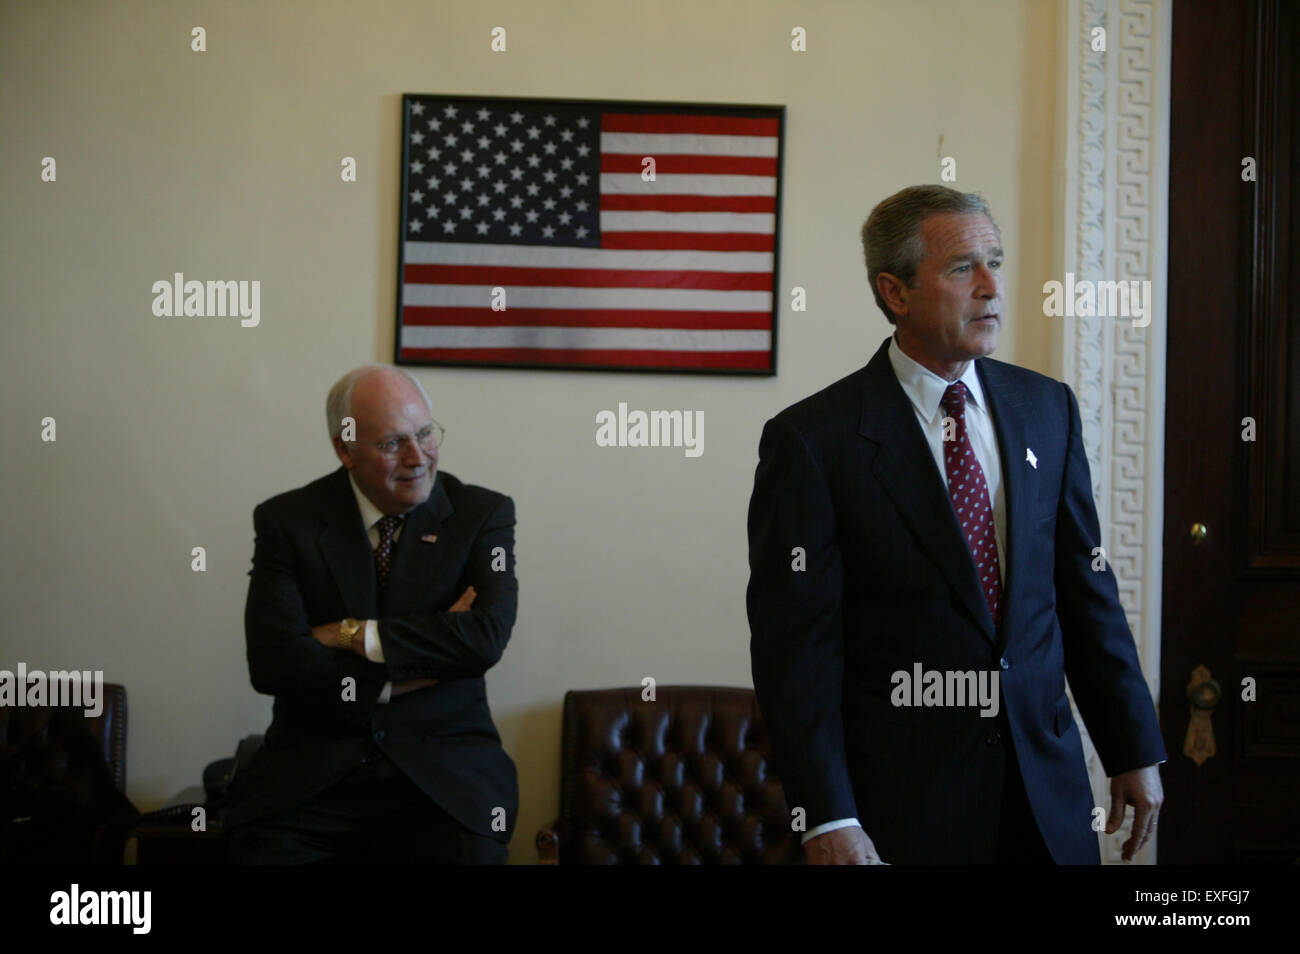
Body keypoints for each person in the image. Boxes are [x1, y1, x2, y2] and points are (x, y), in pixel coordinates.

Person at [746, 185, 1165, 864]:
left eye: (996, 261)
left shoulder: (1047, 409)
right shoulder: (814, 442)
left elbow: (1086, 594)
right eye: (963, 268)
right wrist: (826, 817)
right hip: (903, 812)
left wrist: (1132, 746)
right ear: (896, 291)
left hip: (1047, 801)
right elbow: (796, 655)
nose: (993, 286)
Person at [224, 364, 518, 863]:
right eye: (392, 444)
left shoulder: (481, 516)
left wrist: (346, 634)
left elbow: (483, 639)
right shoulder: (287, 521)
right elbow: (273, 661)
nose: (418, 457)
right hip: (313, 779)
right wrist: (406, 675)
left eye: (426, 434)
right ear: (345, 449)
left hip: (442, 779)